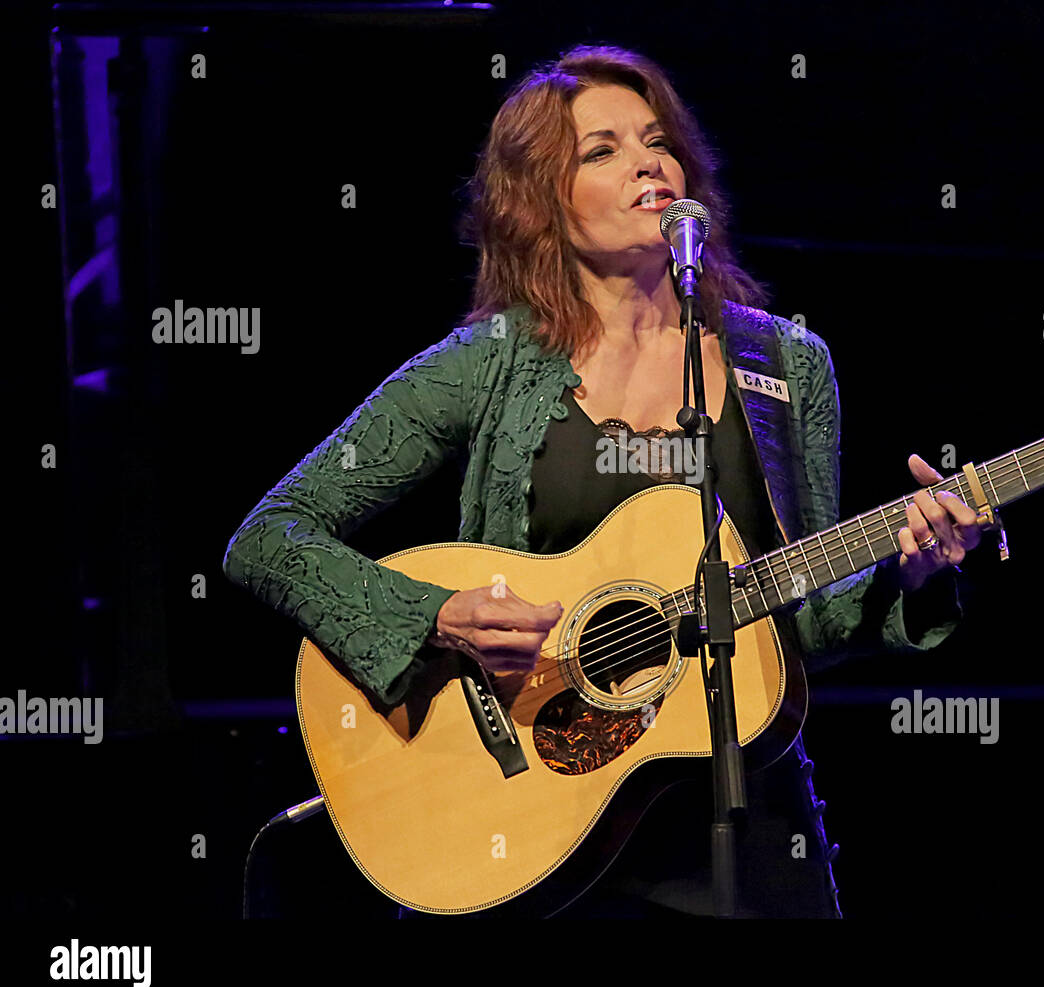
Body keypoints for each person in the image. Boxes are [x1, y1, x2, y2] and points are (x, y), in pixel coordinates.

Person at [222, 44, 986, 919]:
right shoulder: (491, 363)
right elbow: (270, 535)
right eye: (603, 150)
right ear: (542, 200)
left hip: (744, 818)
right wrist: (432, 616)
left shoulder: (786, 364)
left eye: (656, 141)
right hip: (530, 820)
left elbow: (803, 618)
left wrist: (915, 573)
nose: (648, 163)